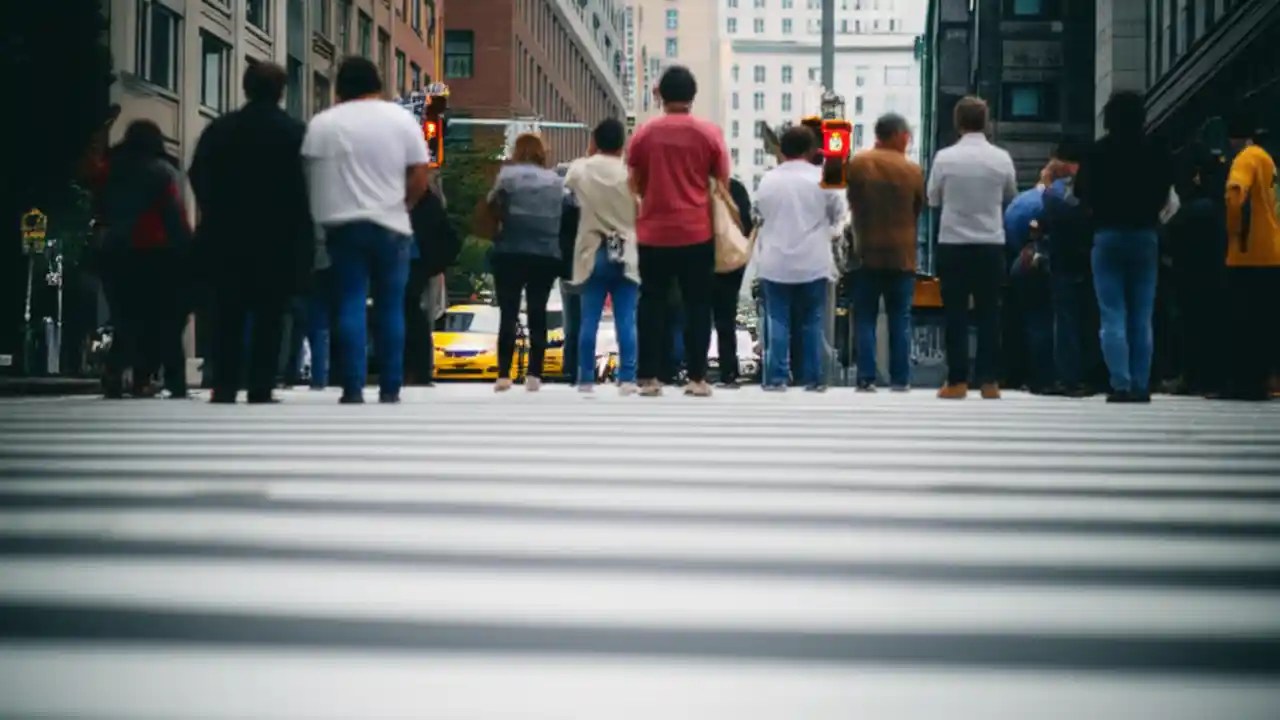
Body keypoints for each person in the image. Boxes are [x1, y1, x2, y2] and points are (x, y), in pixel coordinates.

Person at [302, 56, 431, 404]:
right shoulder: (401, 119)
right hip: (392, 224)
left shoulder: (323, 123)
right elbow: (420, 172)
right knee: (391, 306)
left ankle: (353, 386)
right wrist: (404, 204)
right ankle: (390, 386)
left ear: (339, 87)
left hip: (343, 224)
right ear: (377, 83)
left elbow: (310, 173)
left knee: (350, 302)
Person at [190, 61, 312, 404]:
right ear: (281, 91)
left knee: (227, 311)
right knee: (270, 313)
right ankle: (261, 384)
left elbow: (198, 173)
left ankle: (224, 383)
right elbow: (307, 187)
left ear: (246, 87)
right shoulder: (294, 132)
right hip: (277, 237)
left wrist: (213, 208)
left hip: (226, 234)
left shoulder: (221, 129)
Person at [628, 65, 730, 398]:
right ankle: (697, 377)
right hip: (696, 231)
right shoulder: (709, 134)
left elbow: (635, 182)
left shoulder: (644, 134)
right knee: (698, 304)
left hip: (654, 231)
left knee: (652, 301)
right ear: (692, 96)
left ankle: (648, 376)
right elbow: (722, 182)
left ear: (660, 96)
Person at [1074, 91, 1175, 404]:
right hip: (1145, 234)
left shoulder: (1097, 152)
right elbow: (1165, 192)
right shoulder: (1157, 149)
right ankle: (1141, 384)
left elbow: (1081, 193)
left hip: (1108, 236)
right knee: (1142, 314)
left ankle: (1120, 382)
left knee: (1112, 313)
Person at [927, 97, 1017, 400]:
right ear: (986, 121)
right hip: (991, 243)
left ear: (958, 122)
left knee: (955, 314)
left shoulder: (944, 158)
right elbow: (1010, 194)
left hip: (953, 243)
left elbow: (933, 199)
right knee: (990, 312)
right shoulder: (1001, 158)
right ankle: (989, 381)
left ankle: (957, 381)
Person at [99, 120, 193, 399]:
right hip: (154, 252)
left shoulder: (110, 169)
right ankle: (144, 378)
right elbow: (174, 215)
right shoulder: (162, 171)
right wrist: (187, 249)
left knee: (125, 316)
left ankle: (114, 371)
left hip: (115, 252)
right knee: (158, 318)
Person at [754, 127, 848, 392]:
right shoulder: (823, 178)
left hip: (775, 261)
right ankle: (814, 378)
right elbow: (838, 215)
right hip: (812, 261)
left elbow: (761, 213)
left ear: (782, 151)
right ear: (811, 151)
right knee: (812, 319)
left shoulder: (768, 181)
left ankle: (777, 378)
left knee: (778, 319)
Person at [845, 113, 925, 392]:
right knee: (899, 318)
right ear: (898, 135)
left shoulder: (858, 164)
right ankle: (900, 378)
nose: (909, 141)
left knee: (865, 317)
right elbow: (918, 208)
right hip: (902, 256)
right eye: (908, 136)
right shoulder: (913, 170)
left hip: (865, 252)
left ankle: (866, 377)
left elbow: (851, 201)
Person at [565, 118, 640, 395]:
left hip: (592, 250)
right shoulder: (631, 173)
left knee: (589, 319)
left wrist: (589, 154)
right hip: (627, 250)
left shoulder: (581, 169)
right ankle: (628, 377)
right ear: (623, 143)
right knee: (626, 320)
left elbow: (569, 188)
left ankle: (586, 376)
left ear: (595, 141)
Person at [487, 133, 564, 393]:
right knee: (537, 311)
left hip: (510, 251)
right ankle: (534, 374)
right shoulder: (556, 181)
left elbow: (491, 206)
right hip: (545, 254)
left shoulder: (507, 177)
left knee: (508, 312)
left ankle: (503, 374)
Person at [1221, 114, 1279, 401]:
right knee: (1264, 322)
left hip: (1247, 254)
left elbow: (1235, 193)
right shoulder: (1268, 160)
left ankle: (1242, 382)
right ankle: (1260, 380)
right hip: (1272, 250)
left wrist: (1234, 232)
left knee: (1241, 321)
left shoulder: (1245, 159)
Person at [1164, 143, 1227, 396]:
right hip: (1216, 275)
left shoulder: (1190, 212)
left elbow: (1170, 239)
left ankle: (1192, 377)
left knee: (1191, 328)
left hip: (1190, 278)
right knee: (1212, 326)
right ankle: (1210, 378)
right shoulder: (1216, 205)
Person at [1041, 143, 1100, 397]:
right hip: (1090, 258)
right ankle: (1090, 376)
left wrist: (1045, 184)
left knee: (1067, 321)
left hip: (1065, 260)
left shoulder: (1058, 192)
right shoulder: (1094, 188)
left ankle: (1070, 379)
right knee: (1088, 318)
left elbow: (1051, 212)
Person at [712, 177, 755, 388]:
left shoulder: (695, 186)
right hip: (731, 261)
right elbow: (747, 223)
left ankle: (695, 370)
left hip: (701, 256)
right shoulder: (735, 188)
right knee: (726, 318)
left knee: (696, 314)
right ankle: (728, 371)